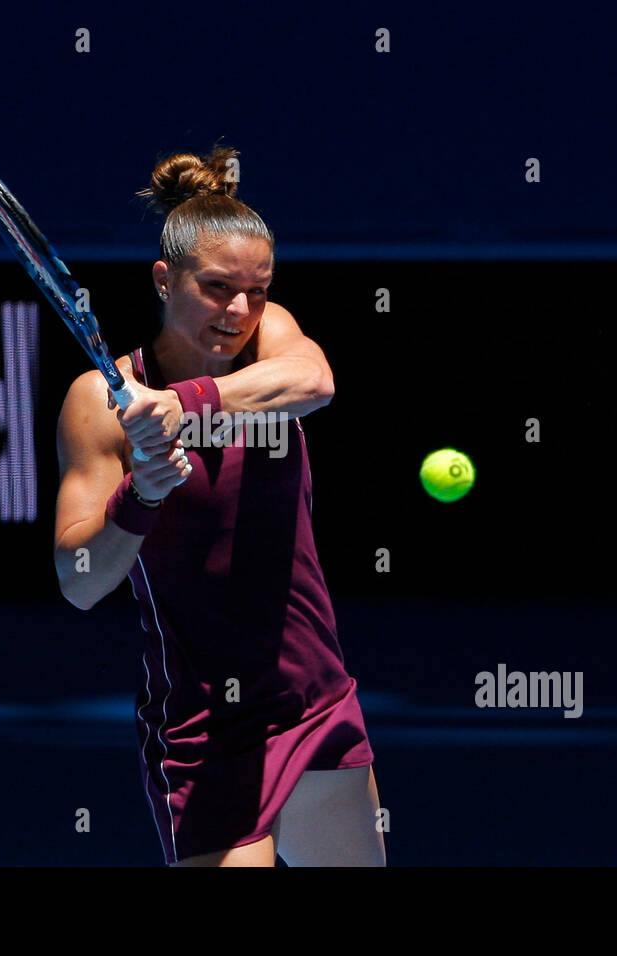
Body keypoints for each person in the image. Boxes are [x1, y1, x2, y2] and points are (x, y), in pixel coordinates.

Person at [53, 146, 384, 866]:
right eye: (215, 288)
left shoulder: (269, 341)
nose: (239, 311)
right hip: (206, 728)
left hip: (316, 699)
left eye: (256, 290)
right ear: (163, 278)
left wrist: (181, 405)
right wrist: (141, 494)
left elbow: (314, 379)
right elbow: (79, 581)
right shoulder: (98, 402)